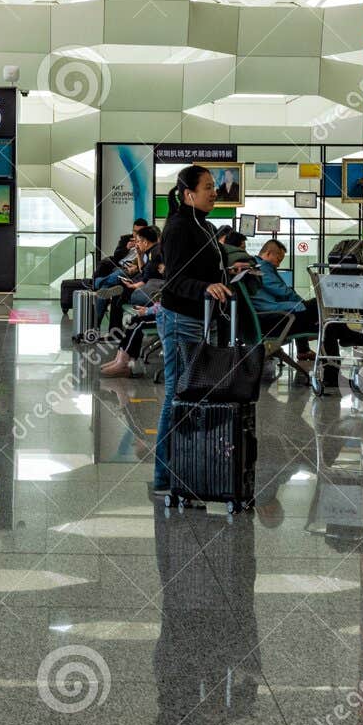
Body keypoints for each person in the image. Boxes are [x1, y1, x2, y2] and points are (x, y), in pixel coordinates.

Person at [151, 164, 231, 498]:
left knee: (194, 394)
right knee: (178, 393)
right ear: (188, 194)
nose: (214, 192)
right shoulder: (180, 227)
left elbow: (212, 266)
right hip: (181, 318)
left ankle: (186, 468)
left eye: (215, 186)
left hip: (202, 318)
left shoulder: (205, 225)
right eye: (208, 187)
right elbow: (176, 279)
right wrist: (205, 287)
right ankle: (164, 474)